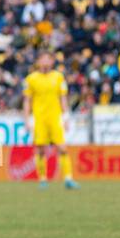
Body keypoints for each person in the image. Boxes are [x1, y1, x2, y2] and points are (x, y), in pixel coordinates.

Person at [23, 51, 79, 189]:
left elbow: (63, 98)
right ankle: (43, 179)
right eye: (43, 59)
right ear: (38, 62)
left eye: (48, 59)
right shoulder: (31, 79)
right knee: (40, 149)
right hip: (39, 119)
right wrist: (27, 119)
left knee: (62, 148)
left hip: (55, 118)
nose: (46, 62)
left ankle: (68, 178)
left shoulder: (58, 77)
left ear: (52, 61)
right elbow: (27, 100)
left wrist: (66, 117)